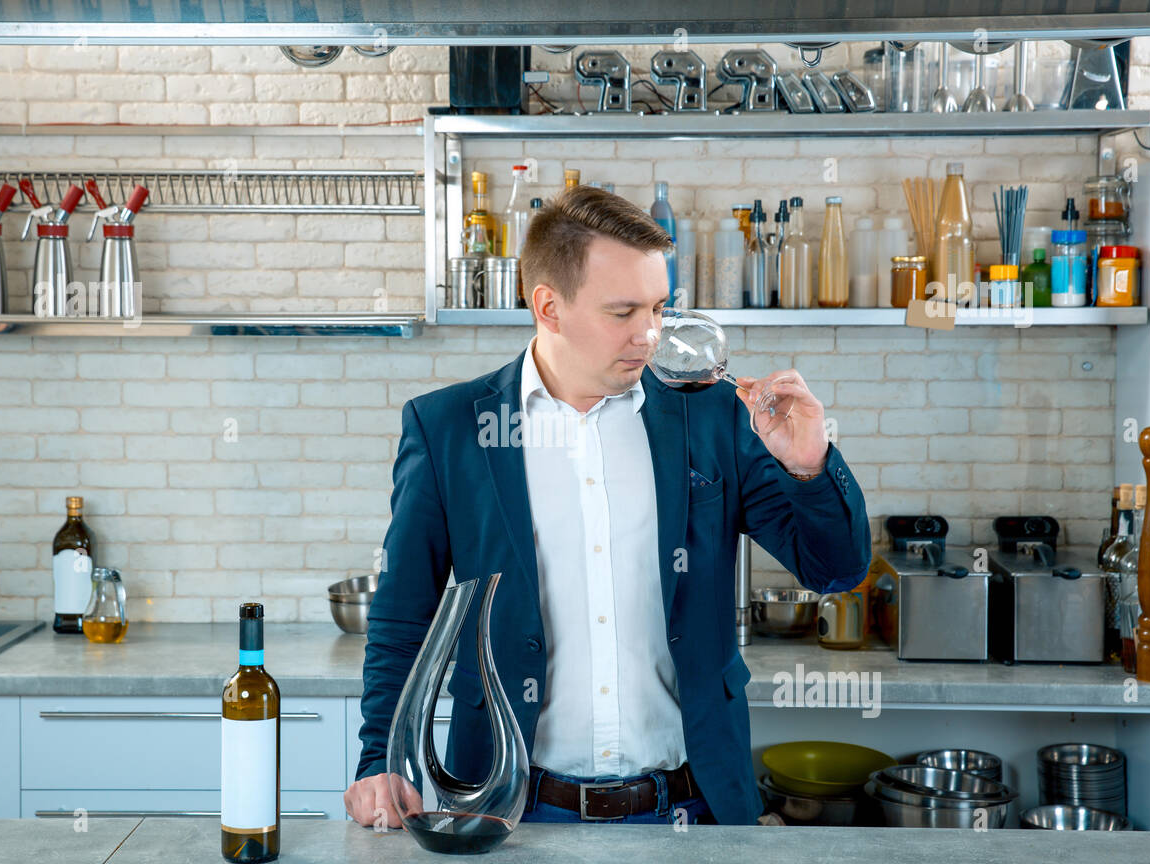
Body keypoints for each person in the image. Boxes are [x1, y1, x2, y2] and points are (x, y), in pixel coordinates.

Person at [345, 186, 870, 827]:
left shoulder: (711, 417)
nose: (649, 334)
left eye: (658, 308)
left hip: (691, 808)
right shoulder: (451, 428)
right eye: (623, 311)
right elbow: (404, 619)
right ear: (549, 308)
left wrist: (809, 464)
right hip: (511, 814)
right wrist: (380, 760)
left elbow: (835, 570)